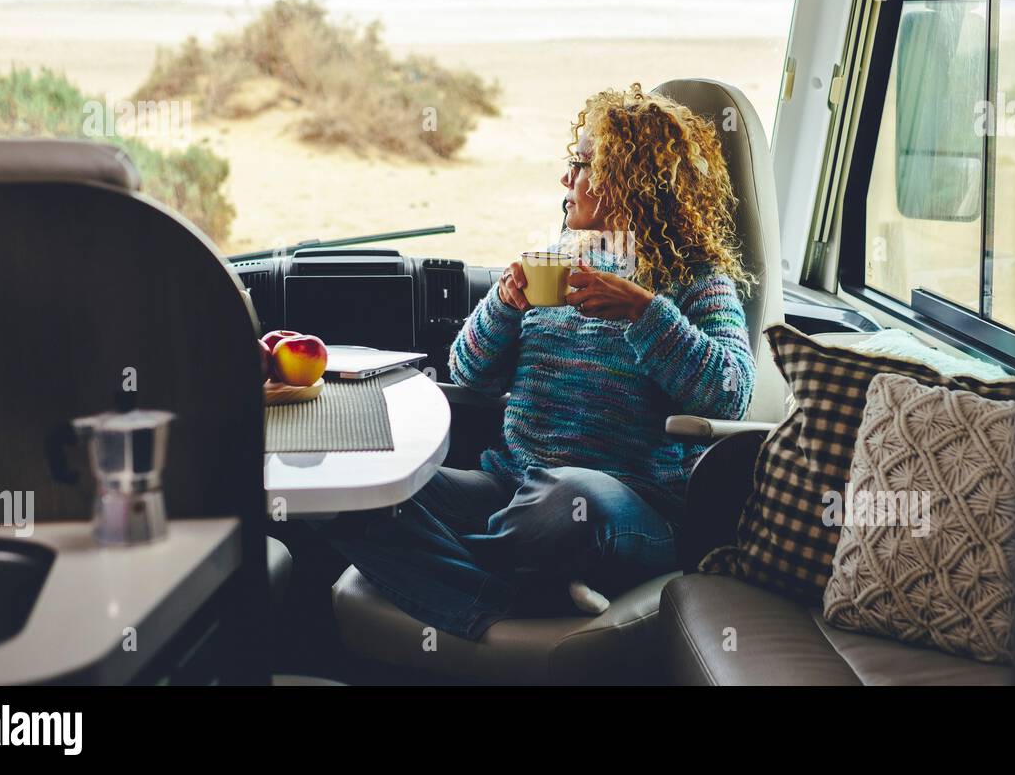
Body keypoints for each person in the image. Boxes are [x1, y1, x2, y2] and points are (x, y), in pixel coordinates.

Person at [317, 83, 756, 639]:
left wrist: (646, 313)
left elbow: (731, 394)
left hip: (623, 508)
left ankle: (469, 573)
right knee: (356, 484)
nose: (565, 180)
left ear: (632, 179)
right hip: (512, 492)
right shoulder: (557, 263)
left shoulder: (696, 283)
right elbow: (469, 373)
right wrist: (502, 305)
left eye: (580, 164)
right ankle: (518, 588)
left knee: (567, 494)